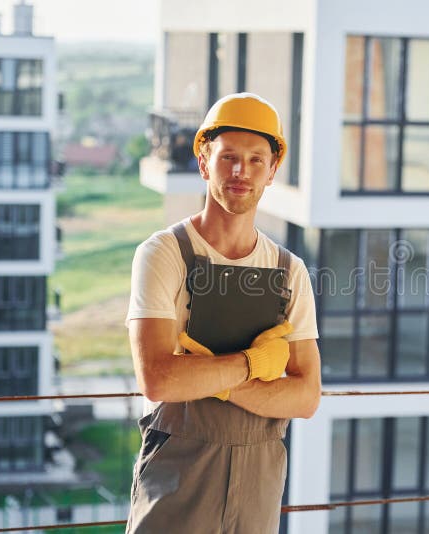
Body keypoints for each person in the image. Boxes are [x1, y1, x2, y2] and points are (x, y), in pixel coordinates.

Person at [124, 93, 321, 533]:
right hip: (180, 476)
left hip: (260, 481)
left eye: (255, 160)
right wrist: (254, 366)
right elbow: (159, 378)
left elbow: (306, 396)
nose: (240, 171)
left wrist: (214, 379)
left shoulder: (290, 271)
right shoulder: (164, 254)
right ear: (203, 161)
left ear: (273, 170)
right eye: (228, 157)